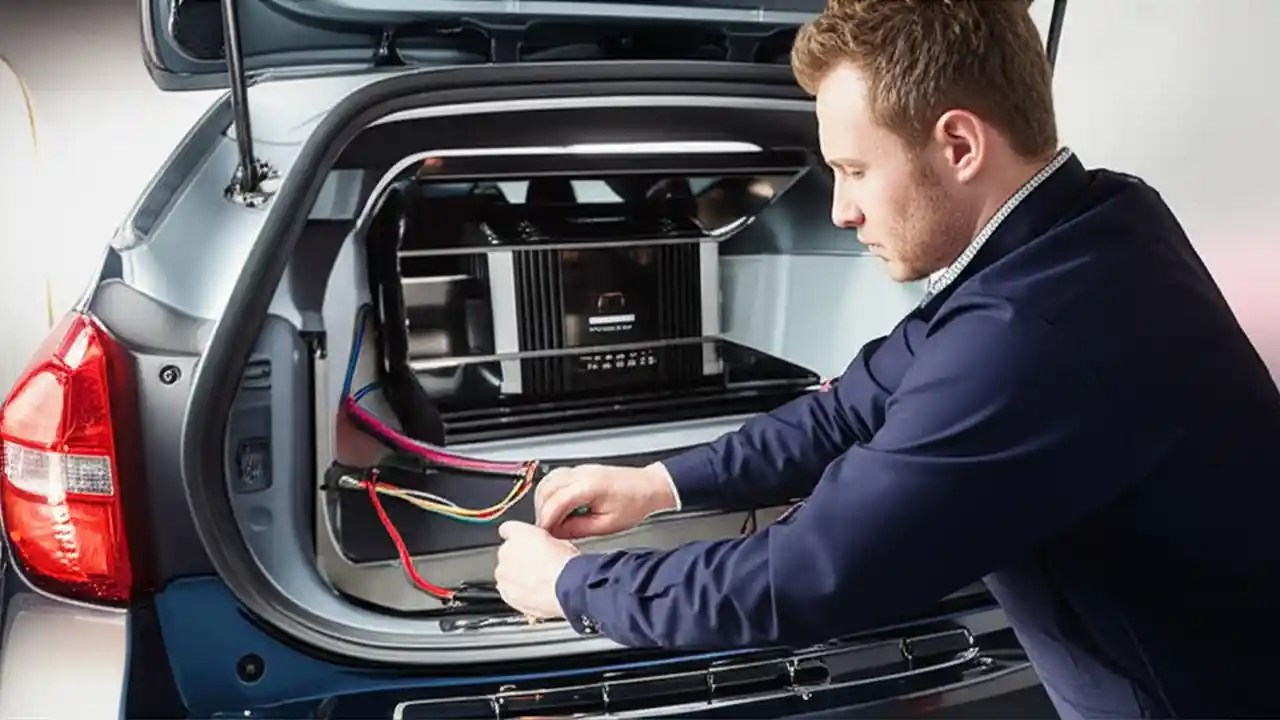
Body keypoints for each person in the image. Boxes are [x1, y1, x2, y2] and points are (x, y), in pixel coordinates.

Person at [492, 1, 1280, 717]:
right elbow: (850, 405)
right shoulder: (1094, 220)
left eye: (856, 169)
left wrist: (570, 586)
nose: (840, 209)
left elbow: (803, 578)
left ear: (960, 144)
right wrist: (657, 483)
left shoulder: (1029, 336)